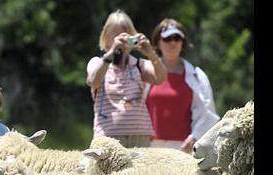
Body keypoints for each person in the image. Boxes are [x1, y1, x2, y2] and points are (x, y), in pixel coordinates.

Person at [86, 10, 167, 148]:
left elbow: (160, 78)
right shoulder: (97, 62)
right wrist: (112, 52)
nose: (122, 40)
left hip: (139, 138)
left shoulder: (138, 64)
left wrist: (151, 53)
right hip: (107, 138)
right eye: (116, 35)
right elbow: (93, 81)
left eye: (126, 36)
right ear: (106, 38)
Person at [145, 18, 219, 153]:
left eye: (177, 38)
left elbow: (208, 113)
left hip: (185, 149)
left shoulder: (197, 75)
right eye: (167, 39)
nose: (173, 42)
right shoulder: (145, 71)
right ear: (157, 43)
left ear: (183, 43)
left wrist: (194, 137)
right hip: (149, 148)